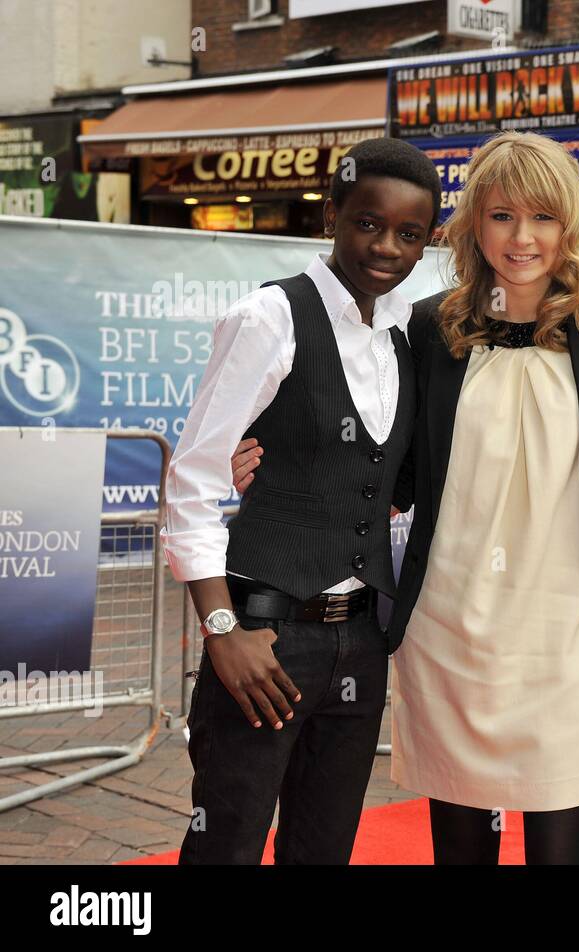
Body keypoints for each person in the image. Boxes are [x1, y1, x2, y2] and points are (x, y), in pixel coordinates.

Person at [238, 132, 579, 865]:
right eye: (503, 215)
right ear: (475, 223)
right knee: (463, 847)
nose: (523, 237)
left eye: (543, 217)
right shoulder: (430, 328)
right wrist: (266, 457)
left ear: (569, 225)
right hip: (449, 627)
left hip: (565, 625)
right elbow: (389, 472)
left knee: (563, 847)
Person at [161, 138, 440, 864]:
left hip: (360, 643)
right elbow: (190, 481)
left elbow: (391, 476)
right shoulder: (270, 317)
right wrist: (222, 630)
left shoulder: (406, 335)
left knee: (323, 849)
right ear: (332, 215)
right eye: (368, 223)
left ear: (426, 243)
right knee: (226, 844)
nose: (386, 246)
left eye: (409, 234)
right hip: (264, 635)